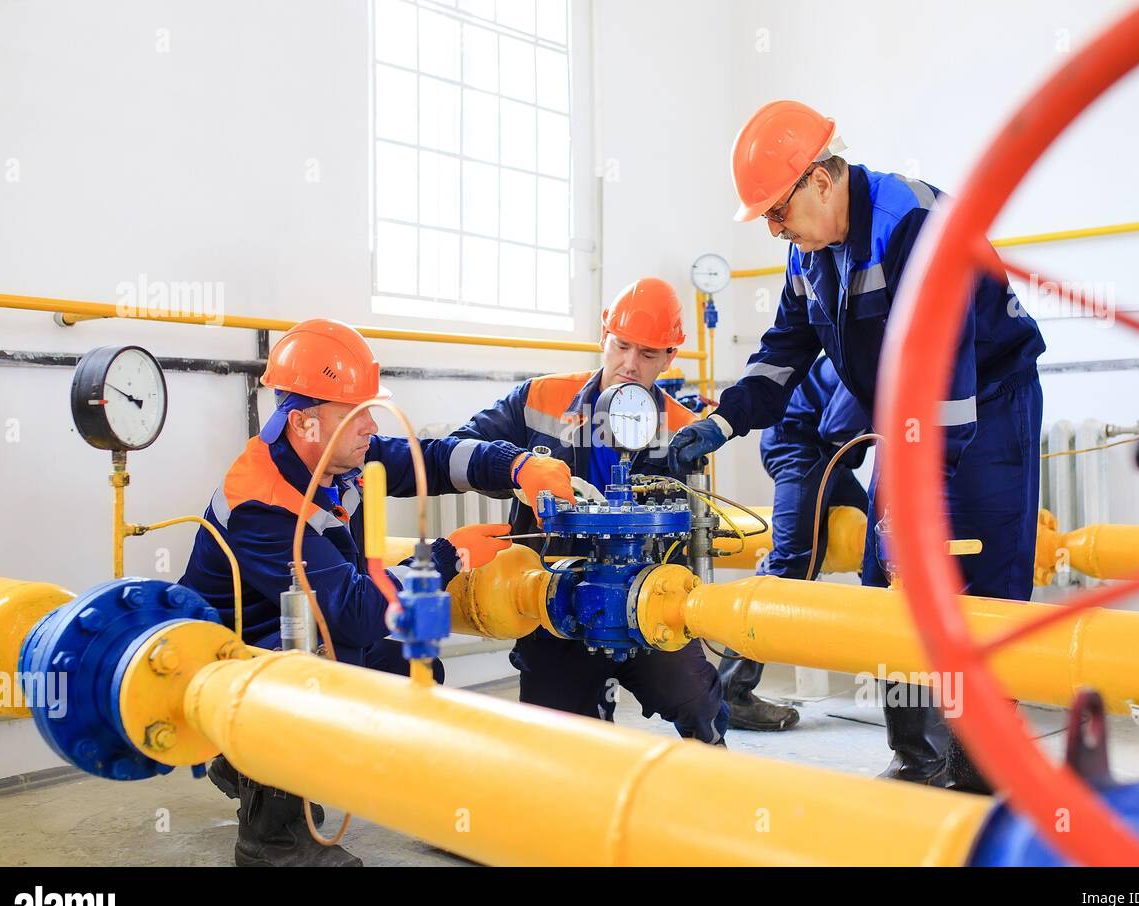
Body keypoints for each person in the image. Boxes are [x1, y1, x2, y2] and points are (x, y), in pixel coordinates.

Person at [669, 101, 1045, 792]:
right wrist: (721, 423)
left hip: (985, 404)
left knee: (980, 582)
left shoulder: (916, 225)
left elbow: (945, 377)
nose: (776, 230)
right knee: (890, 582)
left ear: (821, 179)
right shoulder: (809, 255)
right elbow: (783, 355)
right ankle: (920, 759)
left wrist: (914, 501)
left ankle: (980, 765)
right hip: (906, 414)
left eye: (778, 212)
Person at [179, 317, 575, 865]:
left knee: (410, 663)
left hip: (293, 625)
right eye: (355, 411)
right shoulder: (262, 504)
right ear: (304, 421)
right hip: (227, 652)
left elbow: (432, 459)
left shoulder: (337, 452)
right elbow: (355, 615)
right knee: (318, 667)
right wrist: (450, 555)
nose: (370, 424)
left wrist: (517, 464)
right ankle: (272, 842)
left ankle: (260, 765)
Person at [449, 277, 729, 745]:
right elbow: (459, 448)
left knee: (696, 698)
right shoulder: (538, 401)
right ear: (604, 336)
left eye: (648, 354)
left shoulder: (684, 431)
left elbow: (689, 536)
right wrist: (518, 469)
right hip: (554, 604)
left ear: (669, 359)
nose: (629, 364)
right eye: (622, 346)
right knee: (556, 741)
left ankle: (714, 775)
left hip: (645, 603)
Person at [720, 357, 870, 730]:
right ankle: (729, 691)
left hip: (823, 449)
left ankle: (907, 681)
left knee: (878, 538)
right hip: (798, 444)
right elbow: (837, 425)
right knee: (790, 563)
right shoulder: (883, 353)